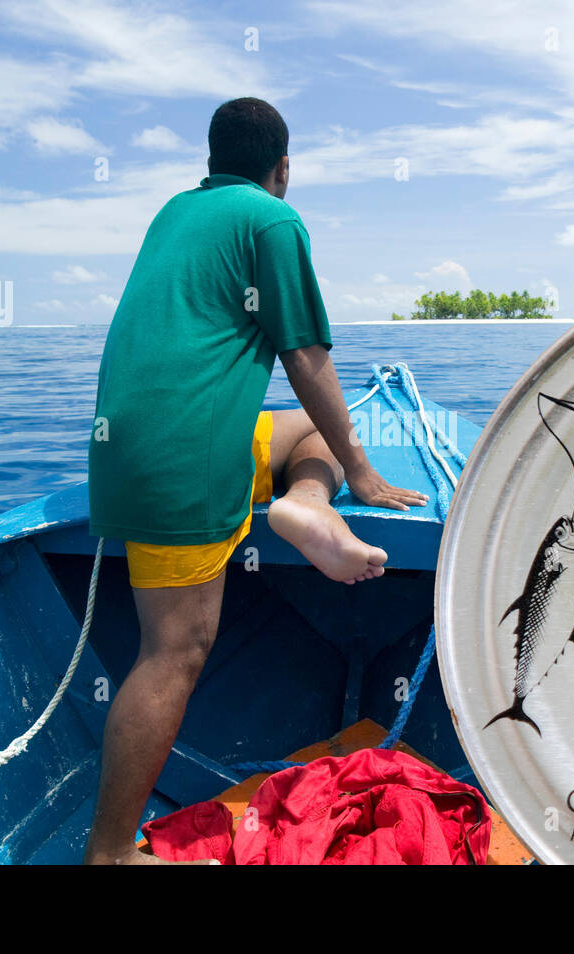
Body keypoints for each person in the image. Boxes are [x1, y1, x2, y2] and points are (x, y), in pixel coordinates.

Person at [83, 97, 429, 864]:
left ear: (210, 162)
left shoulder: (175, 212)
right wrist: (364, 476)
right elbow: (305, 356)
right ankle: (107, 856)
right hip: (185, 464)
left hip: (121, 453)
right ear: (282, 170)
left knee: (302, 437)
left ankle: (305, 505)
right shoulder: (273, 219)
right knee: (173, 649)